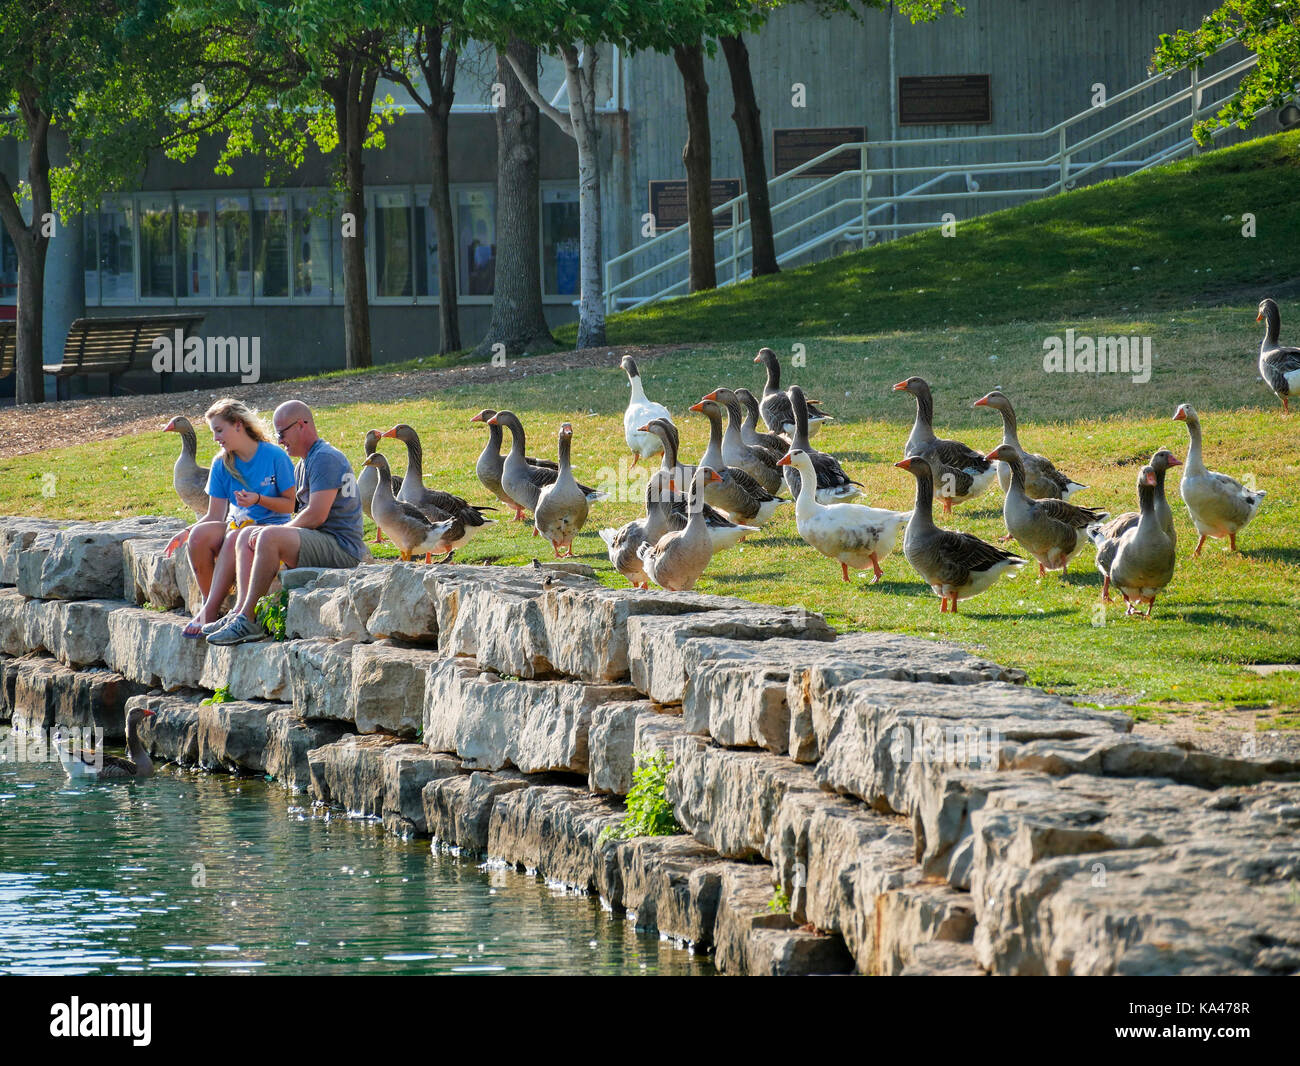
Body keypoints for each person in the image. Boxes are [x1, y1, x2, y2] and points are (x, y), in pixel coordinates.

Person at [205, 400, 365, 645]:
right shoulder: (305, 463)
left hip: (342, 548)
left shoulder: (324, 458)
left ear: (302, 425)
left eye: (282, 432)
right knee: (245, 534)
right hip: (321, 540)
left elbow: (316, 515)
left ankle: (249, 620)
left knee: (268, 536)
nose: (279, 439)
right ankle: (238, 612)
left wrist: (276, 531)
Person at [166, 399, 296, 638]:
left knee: (237, 534)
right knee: (199, 536)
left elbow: (290, 505)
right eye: (213, 432)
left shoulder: (275, 456)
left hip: (272, 529)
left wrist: (258, 499)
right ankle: (211, 607)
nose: (215, 438)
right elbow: (215, 515)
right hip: (237, 528)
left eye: (219, 430)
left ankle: (216, 612)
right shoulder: (221, 464)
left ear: (238, 424)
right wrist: (186, 532)